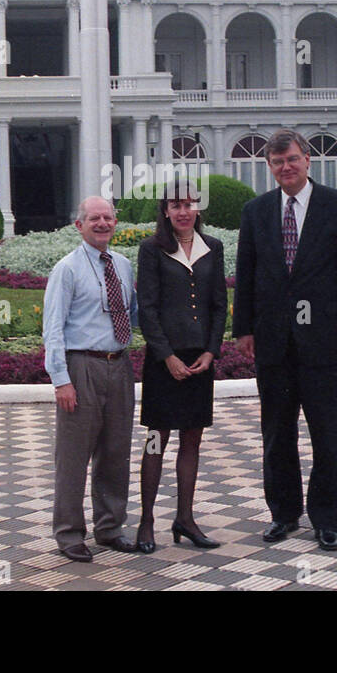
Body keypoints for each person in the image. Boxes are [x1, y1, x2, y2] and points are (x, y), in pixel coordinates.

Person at [233, 129, 337, 552]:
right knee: (277, 433)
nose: (285, 167)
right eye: (277, 162)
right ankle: (284, 514)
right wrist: (244, 329)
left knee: (331, 434)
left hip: (328, 343)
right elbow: (247, 275)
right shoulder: (255, 212)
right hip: (274, 344)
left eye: (291, 159)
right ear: (269, 167)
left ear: (307, 159)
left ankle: (328, 519)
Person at [43, 196, 142, 562]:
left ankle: (110, 527)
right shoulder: (66, 270)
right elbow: (52, 328)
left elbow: (132, 314)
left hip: (119, 365)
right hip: (81, 366)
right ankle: (69, 534)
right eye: (94, 218)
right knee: (73, 457)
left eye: (108, 217)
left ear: (115, 223)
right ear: (79, 226)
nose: (102, 223)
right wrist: (61, 380)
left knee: (115, 453)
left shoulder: (124, 265)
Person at [135, 179, 229, 553]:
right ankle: (146, 522)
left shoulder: (213, 248)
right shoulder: (152, 249)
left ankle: (186, 519)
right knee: (156, 441)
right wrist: (167, 356)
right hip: (164, 364)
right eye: (176, 205)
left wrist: (211, 351)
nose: (184, 211)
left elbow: (219, 305)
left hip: (199, 363)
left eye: (190, 204)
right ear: (165, 211)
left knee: (192, 440)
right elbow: (148, 308)